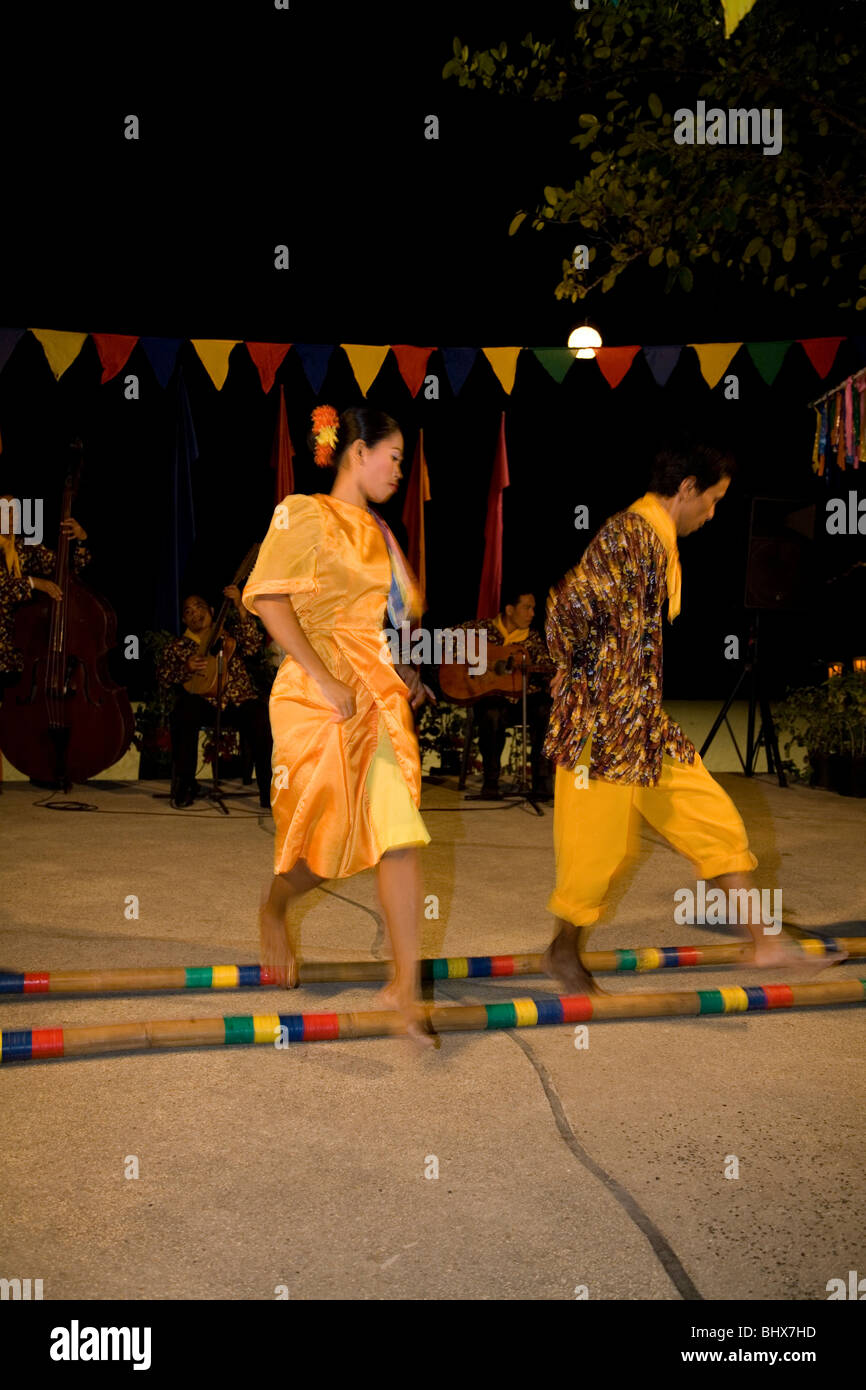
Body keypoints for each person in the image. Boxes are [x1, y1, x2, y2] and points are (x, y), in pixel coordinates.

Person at [540, 436, 847, 994]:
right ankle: (562, 952)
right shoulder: (633, 533)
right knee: (598, 849)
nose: (713, 513)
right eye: (713, 500)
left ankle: (765, 944)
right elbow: (569, 604)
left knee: (711, 817)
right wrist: (568, 663)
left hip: (641, 721)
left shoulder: (653, 538)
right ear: (687, 489)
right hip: (604, 722)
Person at [242, 404, 435, 1046]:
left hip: (373, 690)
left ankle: (405, 990)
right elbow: (268, 596)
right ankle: (275, 905)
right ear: (358, 451)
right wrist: (325, 678)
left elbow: (392, 613)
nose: (401, 471)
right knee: (325, 845)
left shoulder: (379, 530)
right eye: (395, 456)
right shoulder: (304, 512)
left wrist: (400, 667)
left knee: (398, 832)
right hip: (313, 690)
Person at [157, 586, 273, 808]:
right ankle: (186, 784)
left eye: (199, 607)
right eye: (188, 612)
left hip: (237, 701)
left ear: (211, 610)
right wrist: (186, 668)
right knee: (184, 709)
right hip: (204, 703)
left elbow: (253, 645)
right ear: (184, 619)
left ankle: (268, 790)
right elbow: (163, 676)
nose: (195, 613)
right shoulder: (178, 646)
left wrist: (239, 605)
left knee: (259, 714)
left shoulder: (230, 635)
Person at [458, 588, 555, 799]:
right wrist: (474, 659)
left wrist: (534, 668)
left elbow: (548, 669)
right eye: (527, 608)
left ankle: (541, 783)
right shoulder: (481, 629)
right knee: (491, 711)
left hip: (523, 703)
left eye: (533, 609)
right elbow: (444, 640)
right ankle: (491, 782)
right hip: (493, 702)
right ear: (510, 610)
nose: (532, 613)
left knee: (545, 708)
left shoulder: (533, 639)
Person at [0, 490, 91, 698]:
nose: (13, 517)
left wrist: (81, 539)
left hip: (20, 652)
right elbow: (4, 587)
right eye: (6, 512)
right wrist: (34, 582)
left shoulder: (26, 546)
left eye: (16, 512)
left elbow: (66, 569)